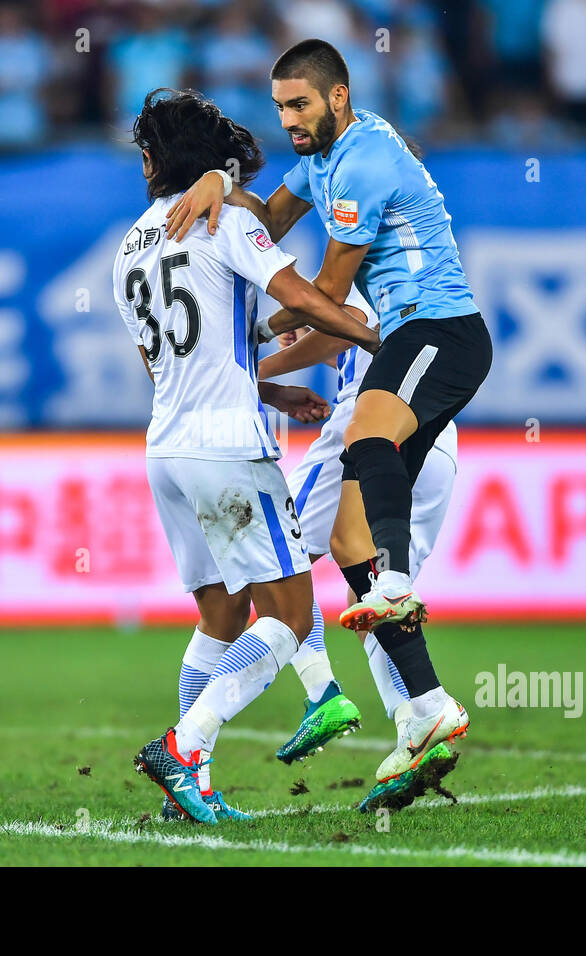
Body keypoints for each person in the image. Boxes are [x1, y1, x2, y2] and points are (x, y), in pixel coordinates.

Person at [164, 38, 488, 789]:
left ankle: (328, 675)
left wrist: (245, 343)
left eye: (300, 104)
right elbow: (264, 223)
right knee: (349, 538)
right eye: (279, 107)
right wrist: (219, 179)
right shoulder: (320, 164)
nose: (288, 120)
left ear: (338, 96)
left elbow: (329, 294)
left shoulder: (365, 162)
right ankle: (425, 706)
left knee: (314, 524)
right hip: (409, 347)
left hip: (437, 331)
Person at [116, 89, 380, 825]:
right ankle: (185, 744)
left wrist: (271, 390)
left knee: (221, 616)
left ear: (154, 162)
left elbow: (170, 364)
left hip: (166, 450)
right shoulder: (225, 220)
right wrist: (376, 338)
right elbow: (306, 295)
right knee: (292, 618)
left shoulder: (128, 248)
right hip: (229, 452)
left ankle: (182, 792)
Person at [259, 295, 462, 812]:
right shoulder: (417, 273)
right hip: (434, 437)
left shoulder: (354, 241)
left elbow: (352, 324)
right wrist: (312, 340)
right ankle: (419, 718)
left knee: (277, 553)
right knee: (374, 592)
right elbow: (366, 337)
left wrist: (255, 370)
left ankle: (322, 694)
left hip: (370, 424)